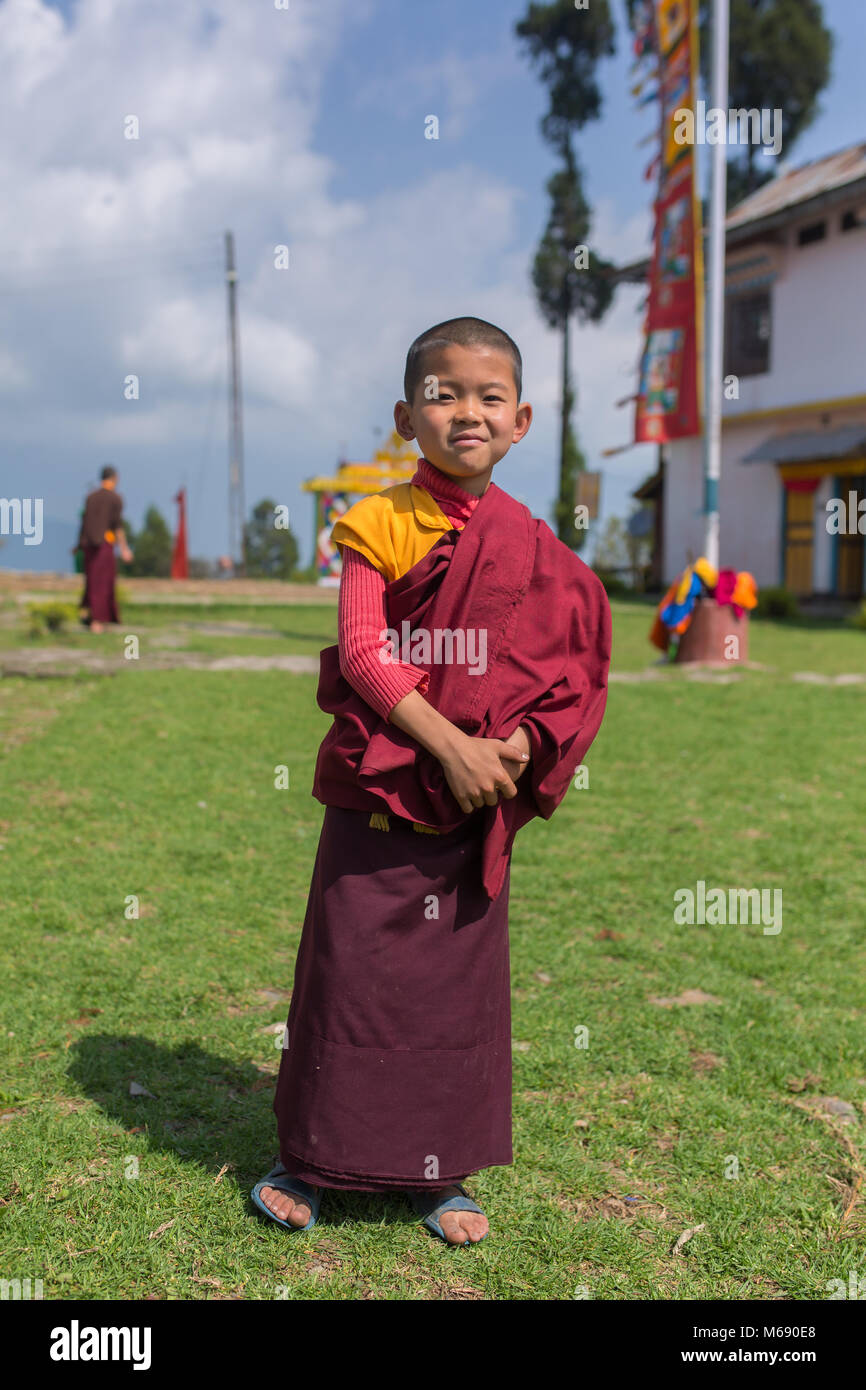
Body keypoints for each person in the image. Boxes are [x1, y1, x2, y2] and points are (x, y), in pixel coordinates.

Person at [253, 317, 611, 1246]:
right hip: (388, 794)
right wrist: (449, 743)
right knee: (349, 981)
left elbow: (570, 672)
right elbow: (367, 655)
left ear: (521, 419)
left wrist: (522, 749)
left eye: (490, 397)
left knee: (450, 997)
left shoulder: (533, 547)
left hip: (472, 804)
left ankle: (439, 1170)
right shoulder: (377, 521)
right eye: (444, 394)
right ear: (407, 415)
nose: (467, 412)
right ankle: (312, 1160)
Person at [77, 466, 133, 632]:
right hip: (104, 545)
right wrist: (124, 549)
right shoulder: (115, 498)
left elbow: (84, 523)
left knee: (92, 581)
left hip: (88, 545)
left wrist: (78, 544)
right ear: (115, 478)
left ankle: (87, 614)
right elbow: (117, 526)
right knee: (102, 583)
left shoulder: (90, 497)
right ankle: (97, 621)